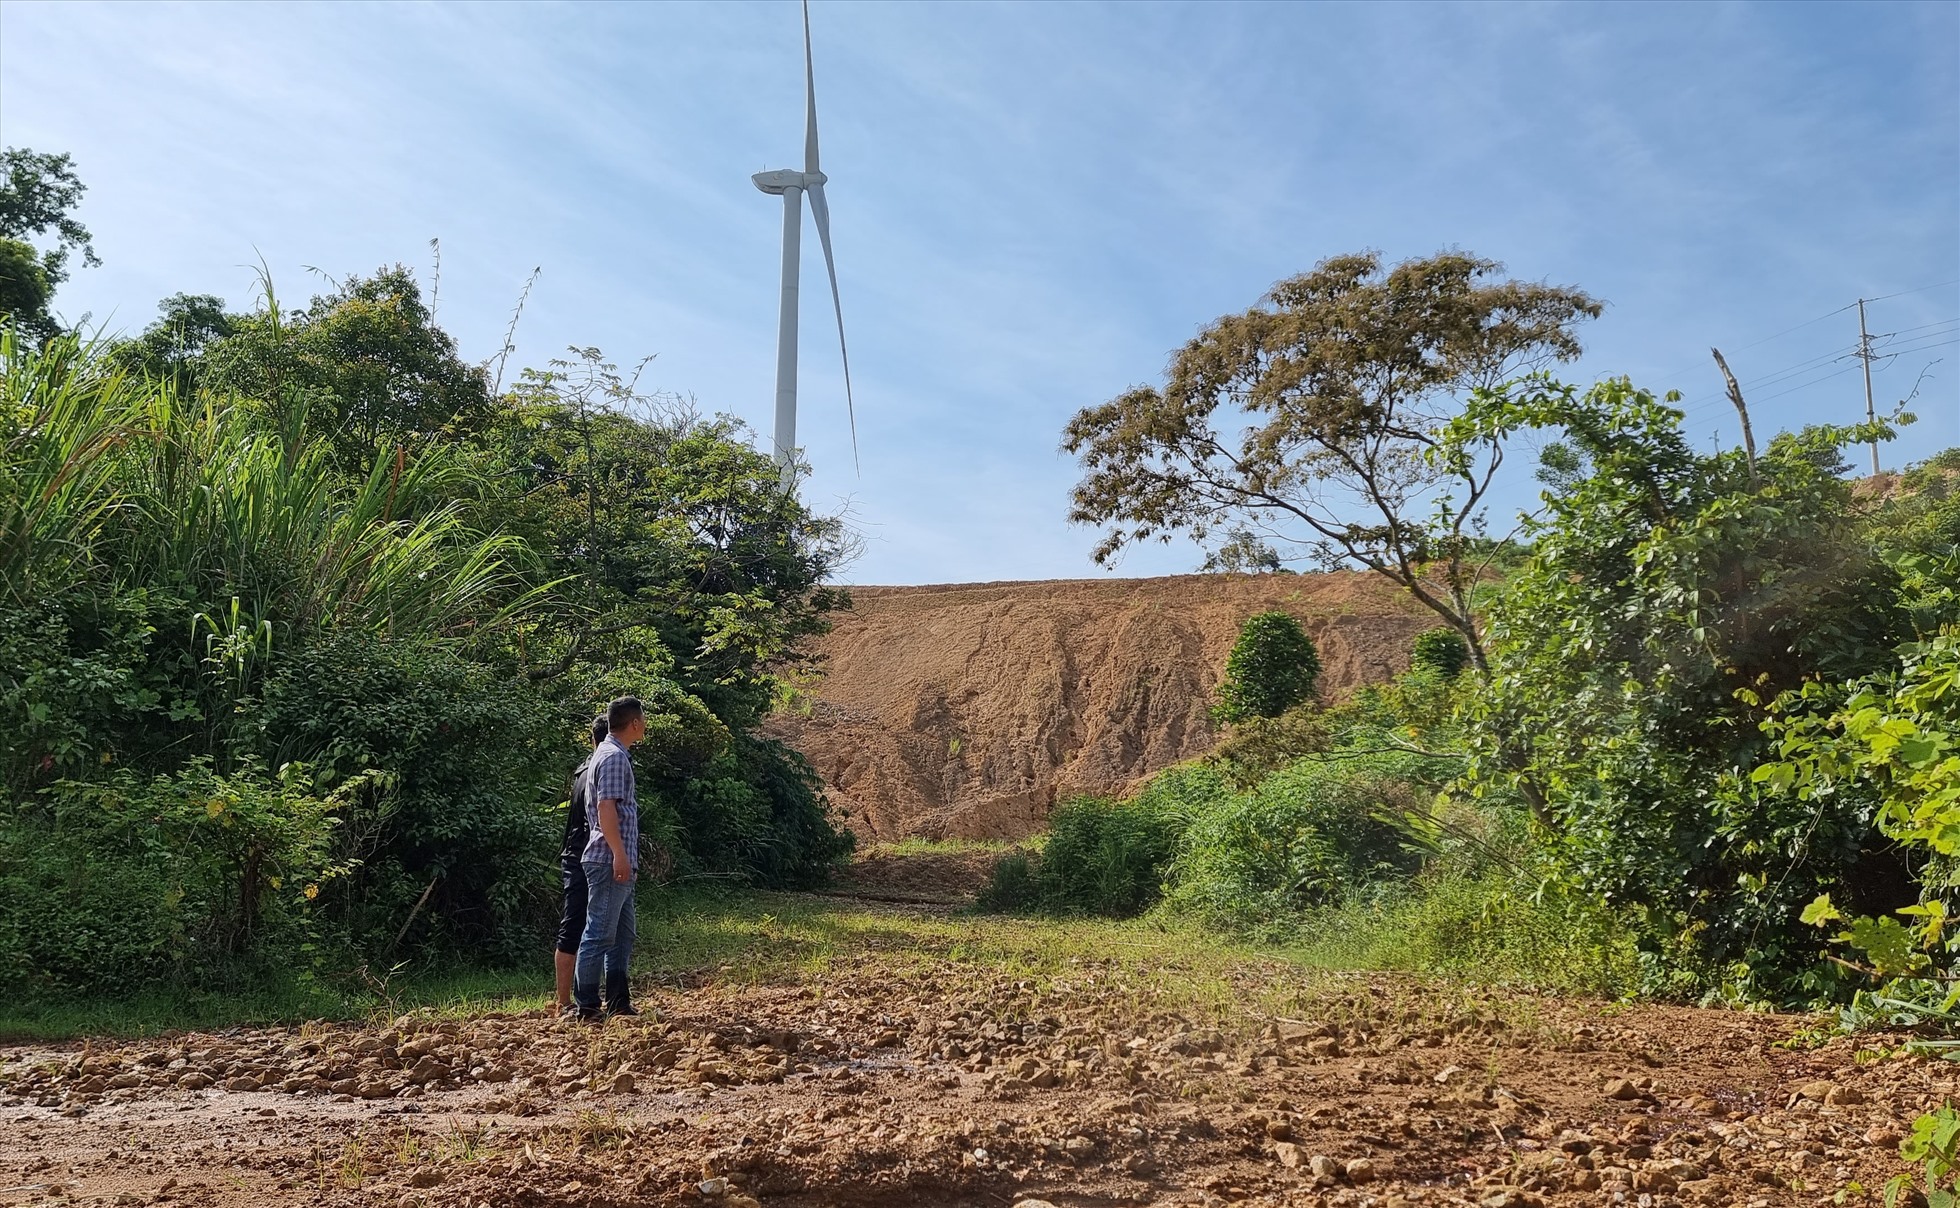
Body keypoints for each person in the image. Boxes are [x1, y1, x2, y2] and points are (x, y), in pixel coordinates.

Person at [572, 695, 646, 1021]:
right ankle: (586, 1005)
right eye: (643, 720)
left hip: (614, 858)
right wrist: (619, 855)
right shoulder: (614, 757)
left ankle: (618, 1000)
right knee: (600, 932)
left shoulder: (608, 753)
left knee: (622, 933)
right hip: (608, 858)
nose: (645, 725)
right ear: (633, 723)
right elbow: (607, 809)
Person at [553, 713, 608, 1017]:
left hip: (574, 854)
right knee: (579, 927)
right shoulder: (601, 770)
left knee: (579, 926)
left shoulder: (583, 769)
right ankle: (567, 1001)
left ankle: (570, 999)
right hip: (584, 856)